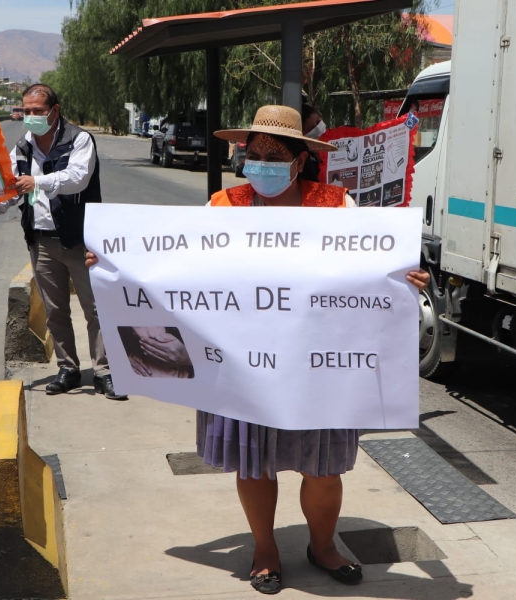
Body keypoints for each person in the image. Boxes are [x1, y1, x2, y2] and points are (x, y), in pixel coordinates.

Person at [87, 105, 429, 595]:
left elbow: (371, 271)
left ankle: (323, 545)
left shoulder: (337, 205)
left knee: (325, 467)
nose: (261, 163)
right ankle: (265, 549)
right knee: (254, 461)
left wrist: (404, 276)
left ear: (299, 159)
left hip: (317, 366)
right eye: (254, 153)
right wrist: (113, 261)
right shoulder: (223, 206)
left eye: (274, 154)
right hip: (244, 365)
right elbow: (177, 269)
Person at [0, 83, 125, 400]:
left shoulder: (79, 140)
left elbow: (78, 178)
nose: (31, 117)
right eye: (27, 111)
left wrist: (38, 181)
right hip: (42, 240)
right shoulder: (20, 149)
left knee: (96, 308)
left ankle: (104, 371)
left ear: (55, 111)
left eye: (38, 111)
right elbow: (7, 193)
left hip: (81, 239)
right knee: (55, 310)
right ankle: (68, 369)